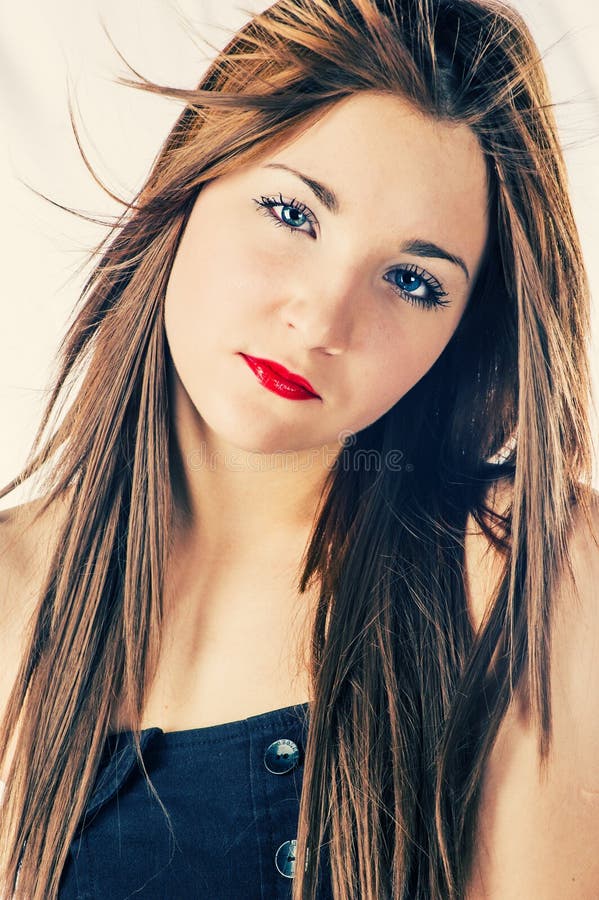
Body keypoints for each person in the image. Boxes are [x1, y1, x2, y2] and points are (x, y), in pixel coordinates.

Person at [0, 0, 598, 896]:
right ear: (189, 184)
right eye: (291, 212)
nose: (321, 320)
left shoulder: (526, 569)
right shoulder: (11, 597)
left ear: (460, 335)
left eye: (410, 280)